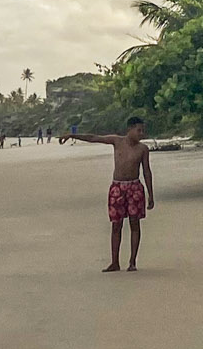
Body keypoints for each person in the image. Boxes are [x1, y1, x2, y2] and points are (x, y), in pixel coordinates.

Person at [66, 116, 155, 271]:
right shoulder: (117, 141)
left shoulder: (142, 149)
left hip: (134, 187)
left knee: (135, 224)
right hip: (117, 187)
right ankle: (115, 262)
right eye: (138, 130)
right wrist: (73, 135)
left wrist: (150, 194)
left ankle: (132, 262)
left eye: (142, 131)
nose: (141, 134)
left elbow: (147, 171)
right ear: (130, 129)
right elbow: (94, 138)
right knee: (116, 225)